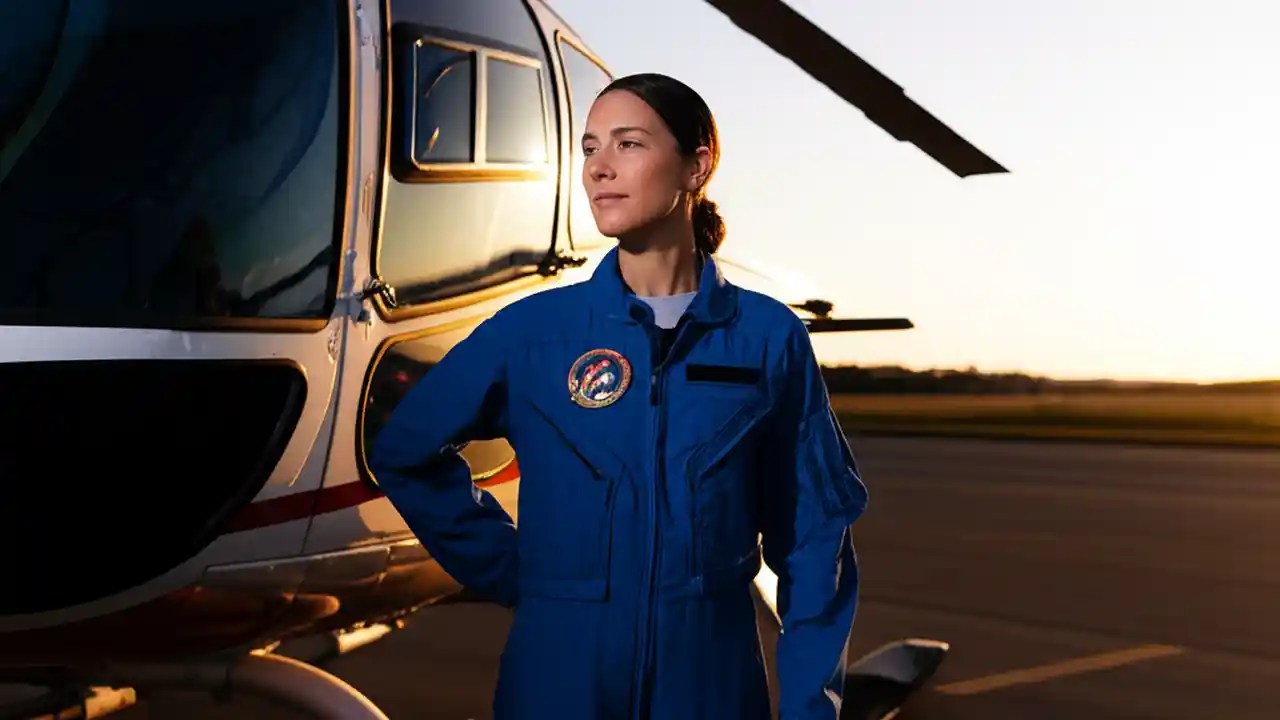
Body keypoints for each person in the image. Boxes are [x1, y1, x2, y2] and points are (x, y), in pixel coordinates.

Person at [368, 72, 867, 720]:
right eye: (588, 147)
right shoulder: (533, 333)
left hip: (711, 685)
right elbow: (406, 448)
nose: (599, 168)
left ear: (697, 165)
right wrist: (516, 572)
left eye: (628, 144)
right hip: (555, 684)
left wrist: (808, 710)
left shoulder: (767, 339)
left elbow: (814, 538)